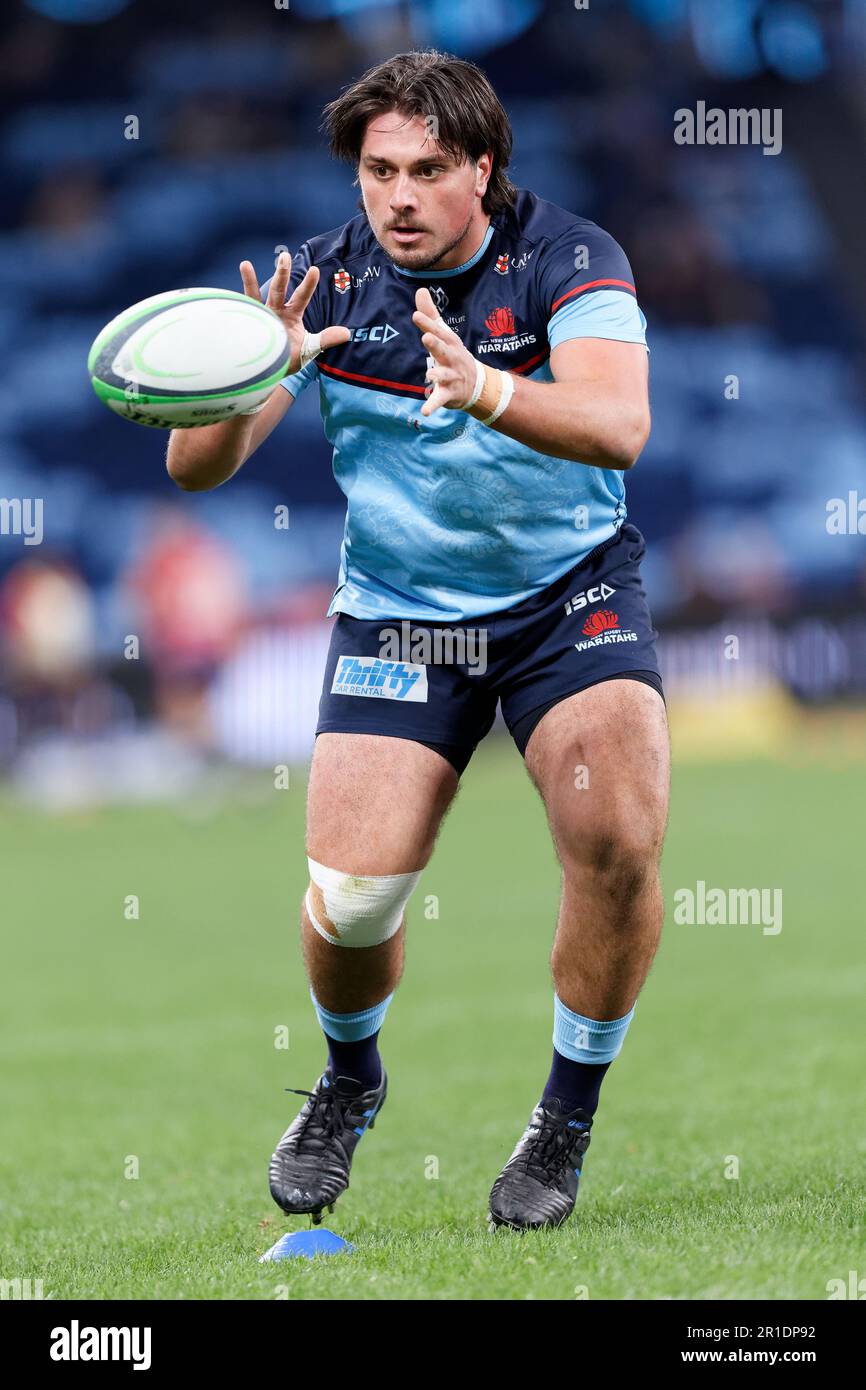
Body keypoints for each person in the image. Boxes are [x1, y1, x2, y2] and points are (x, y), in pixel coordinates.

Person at [166, 48, 669, 1232]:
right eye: (375, 169)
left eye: (425, 170)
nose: (395, 195)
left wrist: (488, 388)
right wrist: (257, 373)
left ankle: (563, 1116)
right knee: (347, 902)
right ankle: (349, 1079)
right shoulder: (326, 286)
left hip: (566, 601)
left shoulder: (569, 260)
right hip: (399, 611)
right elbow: (192, 470)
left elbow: (619, 423)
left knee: (616, 839)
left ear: (481, 170)